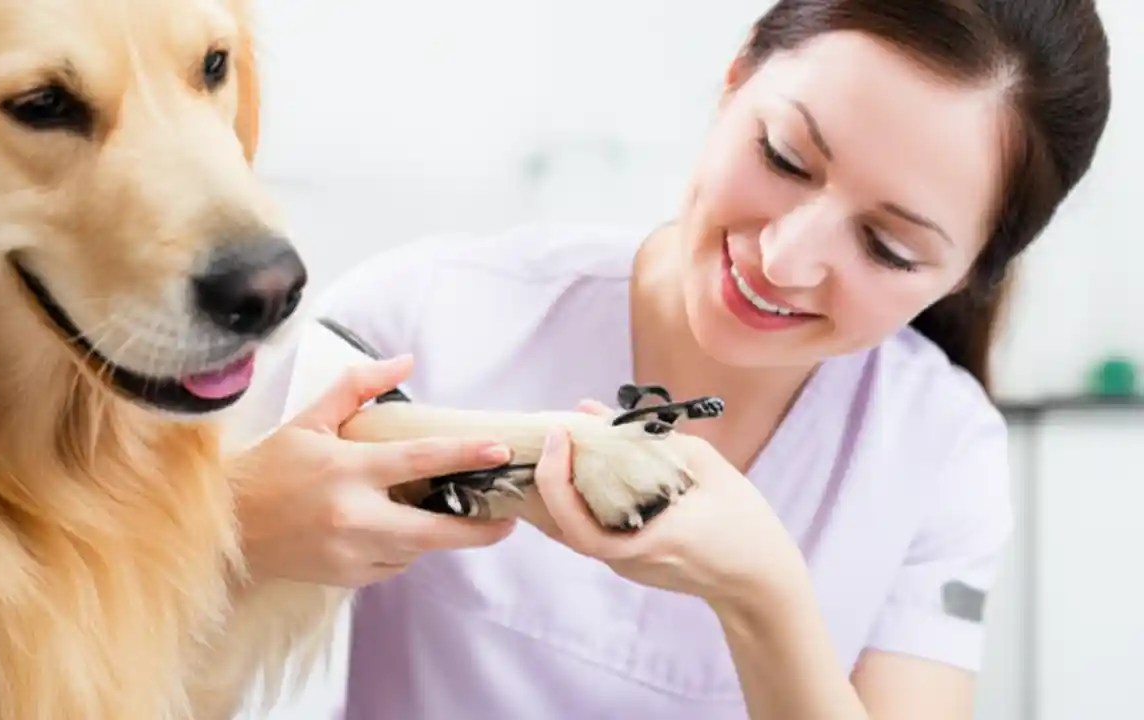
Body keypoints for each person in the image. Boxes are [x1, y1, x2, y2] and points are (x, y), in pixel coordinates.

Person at [237, 0, 1112, 717]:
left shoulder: (942, 450)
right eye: (783, 157)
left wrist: (764, 597)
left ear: (969, 274)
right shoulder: (421, 318)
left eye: (886, 247)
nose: (785, 258)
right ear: (734, 82)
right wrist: (235, 530)